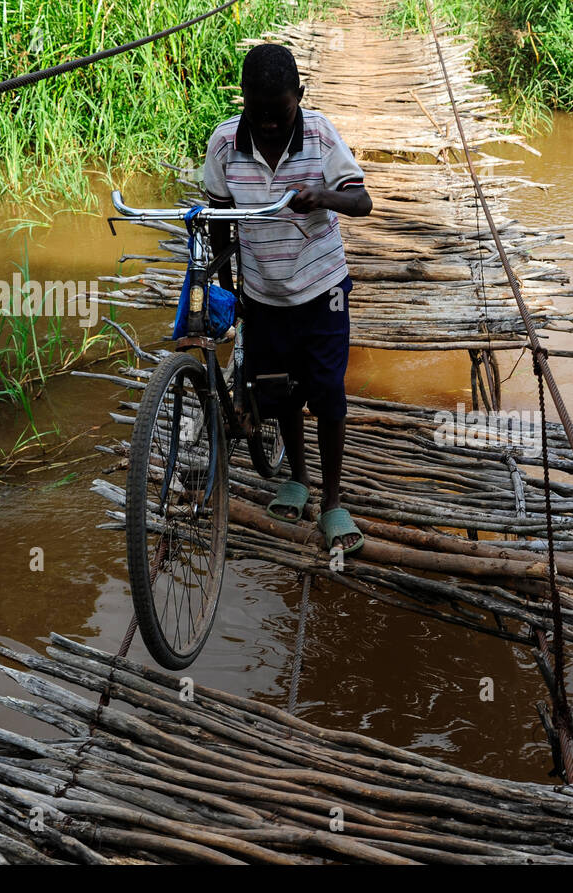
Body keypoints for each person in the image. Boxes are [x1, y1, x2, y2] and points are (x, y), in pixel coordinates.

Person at [202, 43, 372, 555]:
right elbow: (218, 219)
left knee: (327, 392)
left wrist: (322, 196)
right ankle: (297, 478)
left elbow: (361, 200)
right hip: (263, 292)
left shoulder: (320, 135)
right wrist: (229, 287)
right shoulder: (225, 144)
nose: (270, 125)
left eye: (280, 113)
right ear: (244, 102)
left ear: (299, 97)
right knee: (280, 393)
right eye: (259, 114)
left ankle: (333, 503)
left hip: (322, 290)